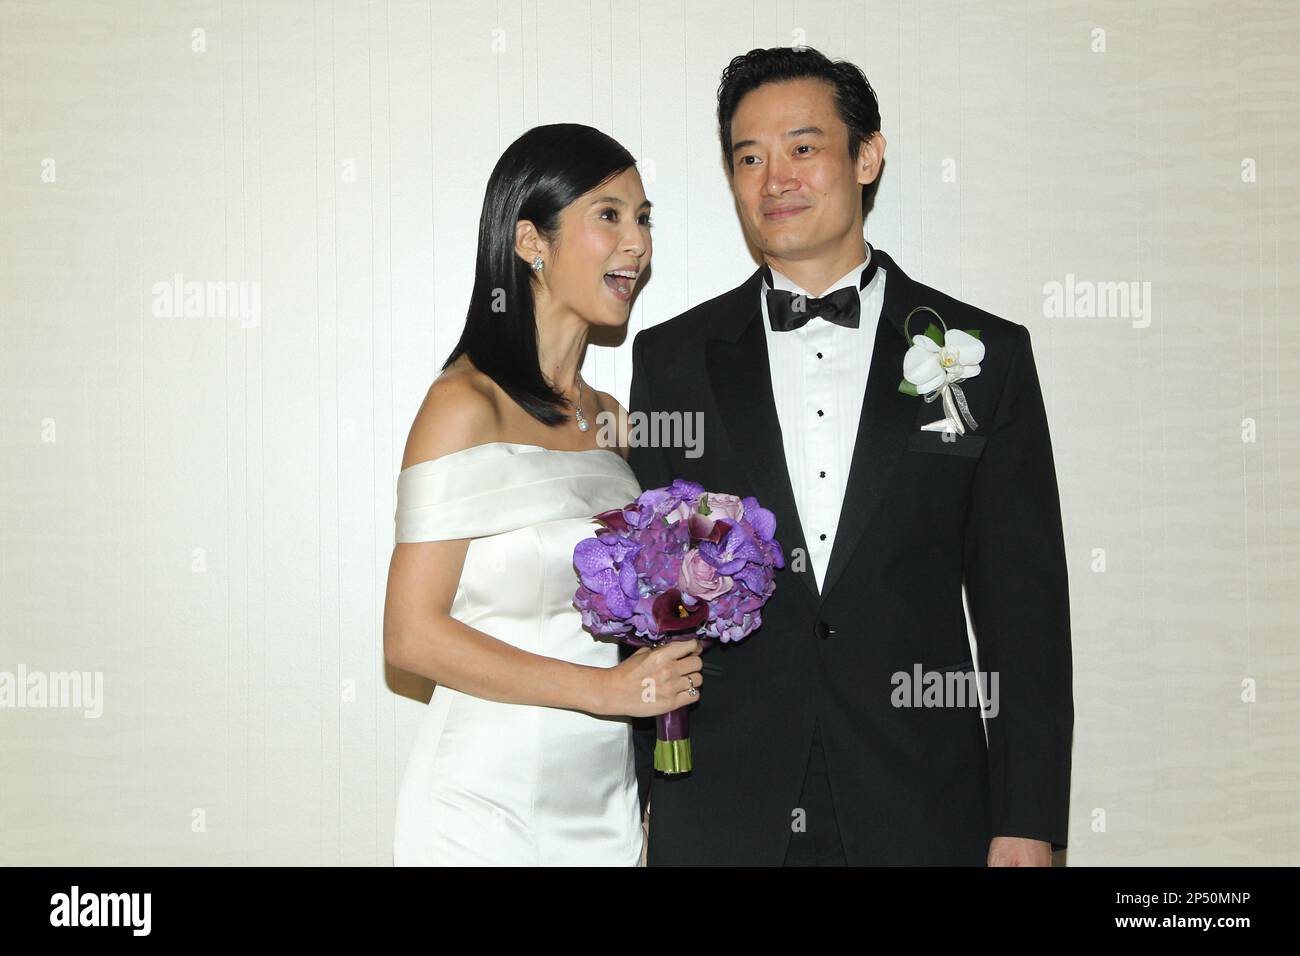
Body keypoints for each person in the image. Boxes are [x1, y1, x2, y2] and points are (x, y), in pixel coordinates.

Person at [626, 47, 1073, 866]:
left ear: (866, 156)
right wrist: (652, 790)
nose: (774, 180)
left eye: (803, 148)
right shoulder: (674, 357)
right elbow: (650, 605)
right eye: (748, 158)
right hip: (725, 806)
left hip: (923, 804)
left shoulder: (983, 354)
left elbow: (1025, 613)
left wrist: (1030, 818)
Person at [384, 123, 702, 866]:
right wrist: (607, 692)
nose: (637, 244)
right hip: (482, 808)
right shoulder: (464, 405)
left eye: (644, 218)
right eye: (609, 215)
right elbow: (410, 638)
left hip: (605, 805)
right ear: (531, 240)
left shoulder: (614, 421)